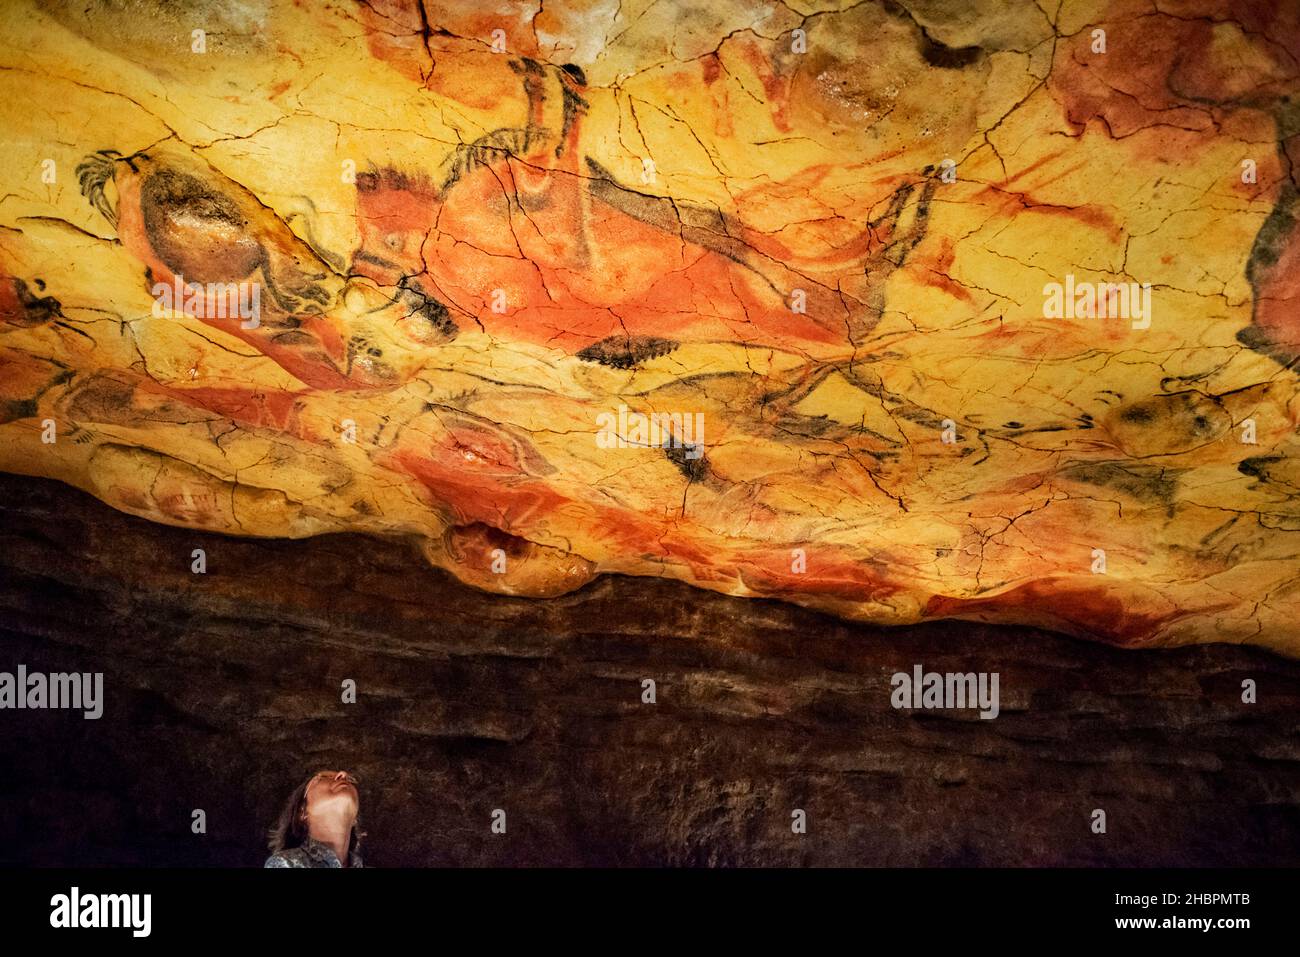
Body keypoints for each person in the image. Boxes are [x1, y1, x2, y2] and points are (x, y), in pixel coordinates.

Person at [264, 769, 364, 868]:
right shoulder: (285, 863)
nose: (343, 774)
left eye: (350, 780)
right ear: (302, 812)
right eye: (325, 777)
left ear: (355, 819)